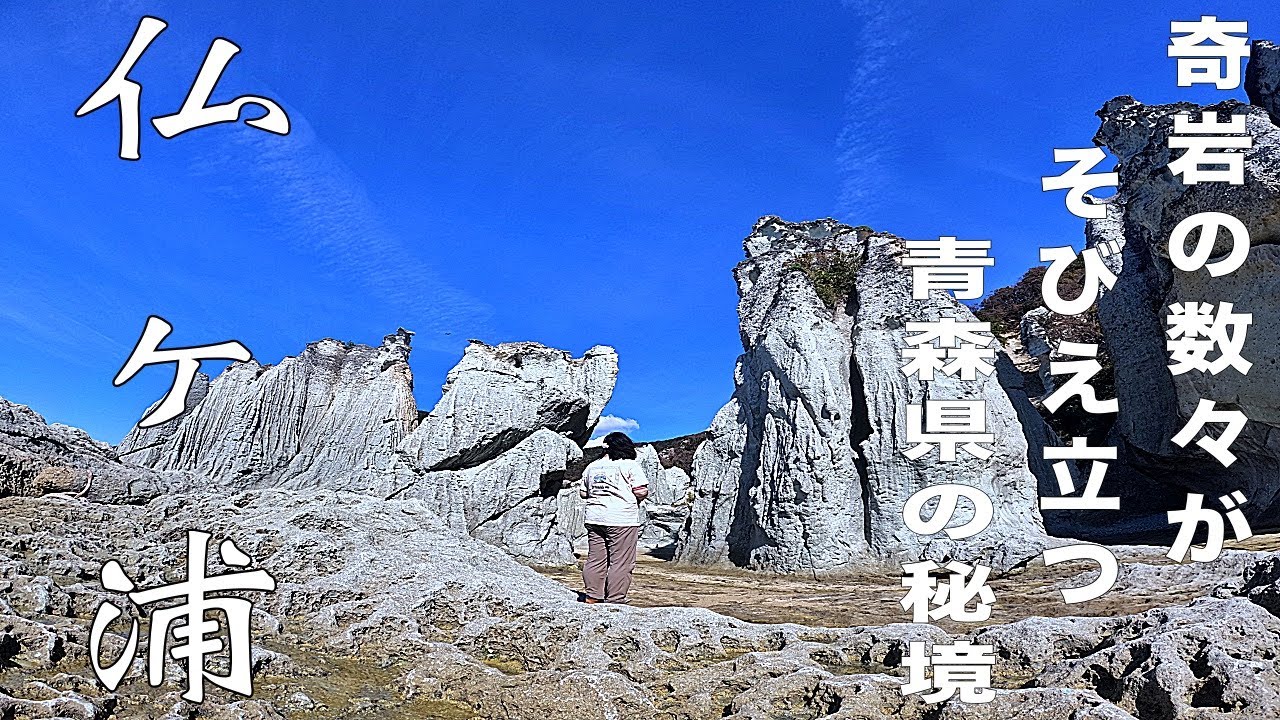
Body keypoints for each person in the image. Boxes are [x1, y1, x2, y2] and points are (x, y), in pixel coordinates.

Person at [579, 431, 648, 604]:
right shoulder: (629, 465)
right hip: (621, 519)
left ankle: (593, 596)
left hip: (594, 518)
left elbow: (583, 493)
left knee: (595, 559)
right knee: (621, 561)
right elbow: (640, 491)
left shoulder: (591, 467)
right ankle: (615, 599)